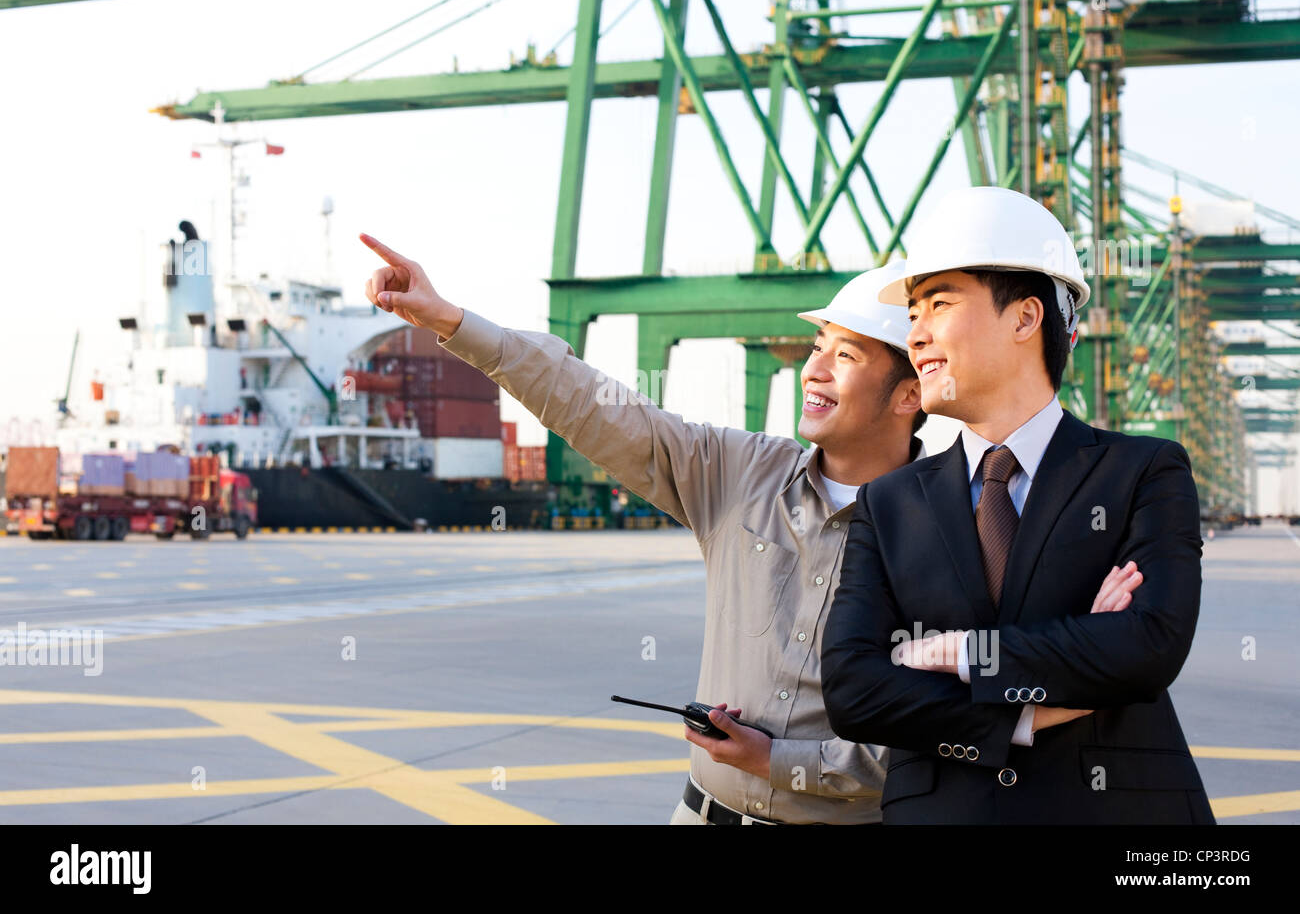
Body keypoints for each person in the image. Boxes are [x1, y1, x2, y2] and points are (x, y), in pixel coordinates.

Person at [361, 232, 925, 824]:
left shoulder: (951, 533)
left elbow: (930, 737)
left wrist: (778, 760)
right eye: (818, 346)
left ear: (910, 393)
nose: (813, 371)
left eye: (847, 356)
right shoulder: (742, 474)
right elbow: (596, 406)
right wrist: (451, 321)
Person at [820, 186, 1214, 824]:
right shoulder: (888, 502)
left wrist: (963, 653)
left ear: (1026, 319)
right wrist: (1032, 709)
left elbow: (1148, 645)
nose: (913, 333)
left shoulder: (1144, 471)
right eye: (912, 311)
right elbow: (855, 691)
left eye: (938, 304)